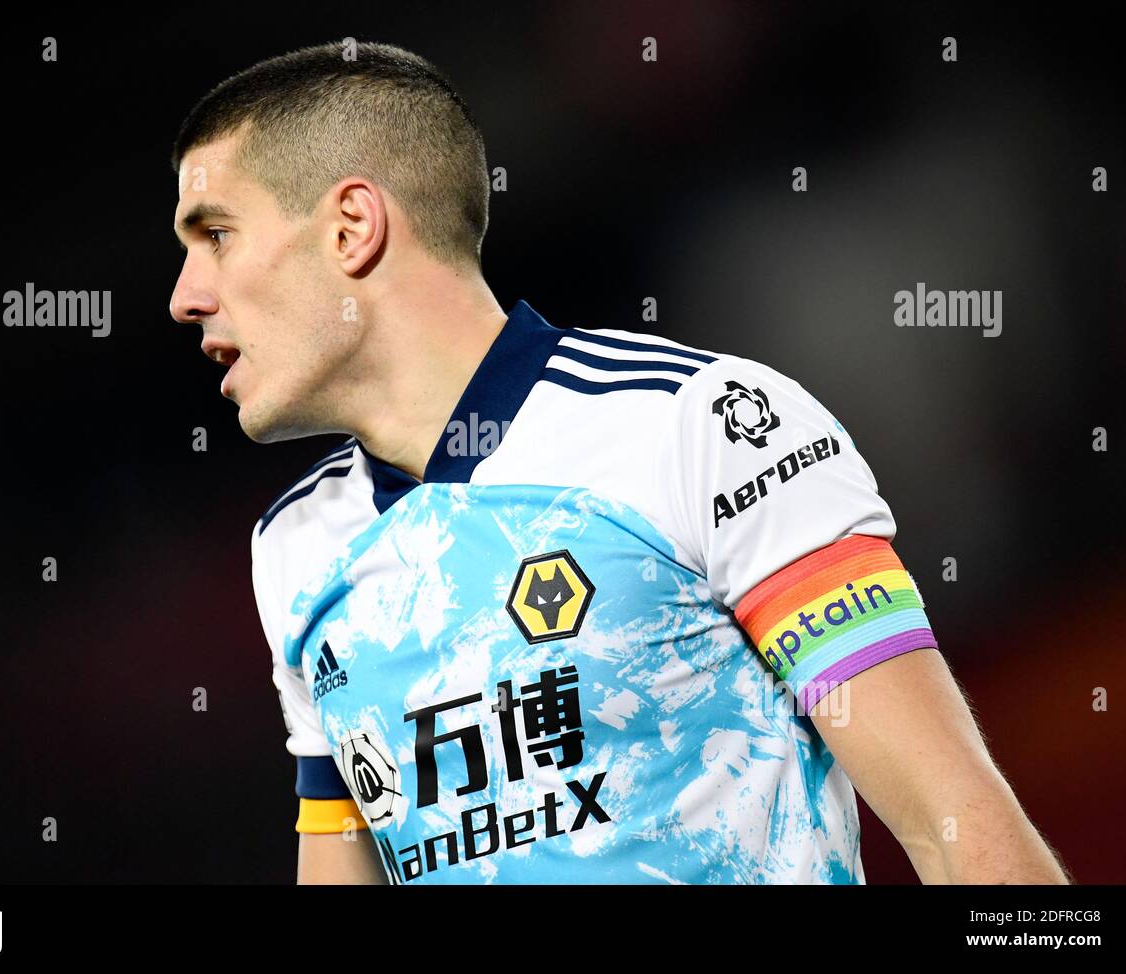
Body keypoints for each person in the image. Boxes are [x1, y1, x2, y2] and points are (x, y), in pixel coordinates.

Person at [168, 41, 1069, 885]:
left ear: (351, 226)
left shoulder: (699, 428)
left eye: (215, 233)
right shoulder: (293, 548)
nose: (184, 297)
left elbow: (967, 842)